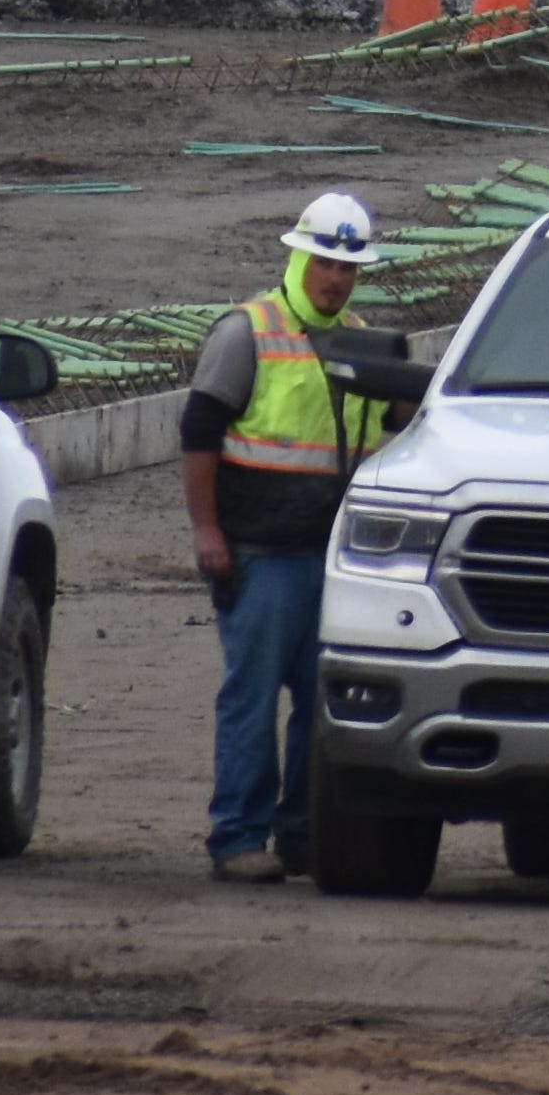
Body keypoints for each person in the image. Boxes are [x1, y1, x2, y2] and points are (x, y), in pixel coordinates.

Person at [180, 191, 407, 884]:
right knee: (251, 699)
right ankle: (237, 837)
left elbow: (402, 421)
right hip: (260, 554)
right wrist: (207, 530)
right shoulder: (248, 331)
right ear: (300, 256)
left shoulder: (364, 341)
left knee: (322, 705)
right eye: (324, 262)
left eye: (347, 267)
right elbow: (198, 433)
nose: (335, 278)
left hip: (334, 559)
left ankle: (302, 836)